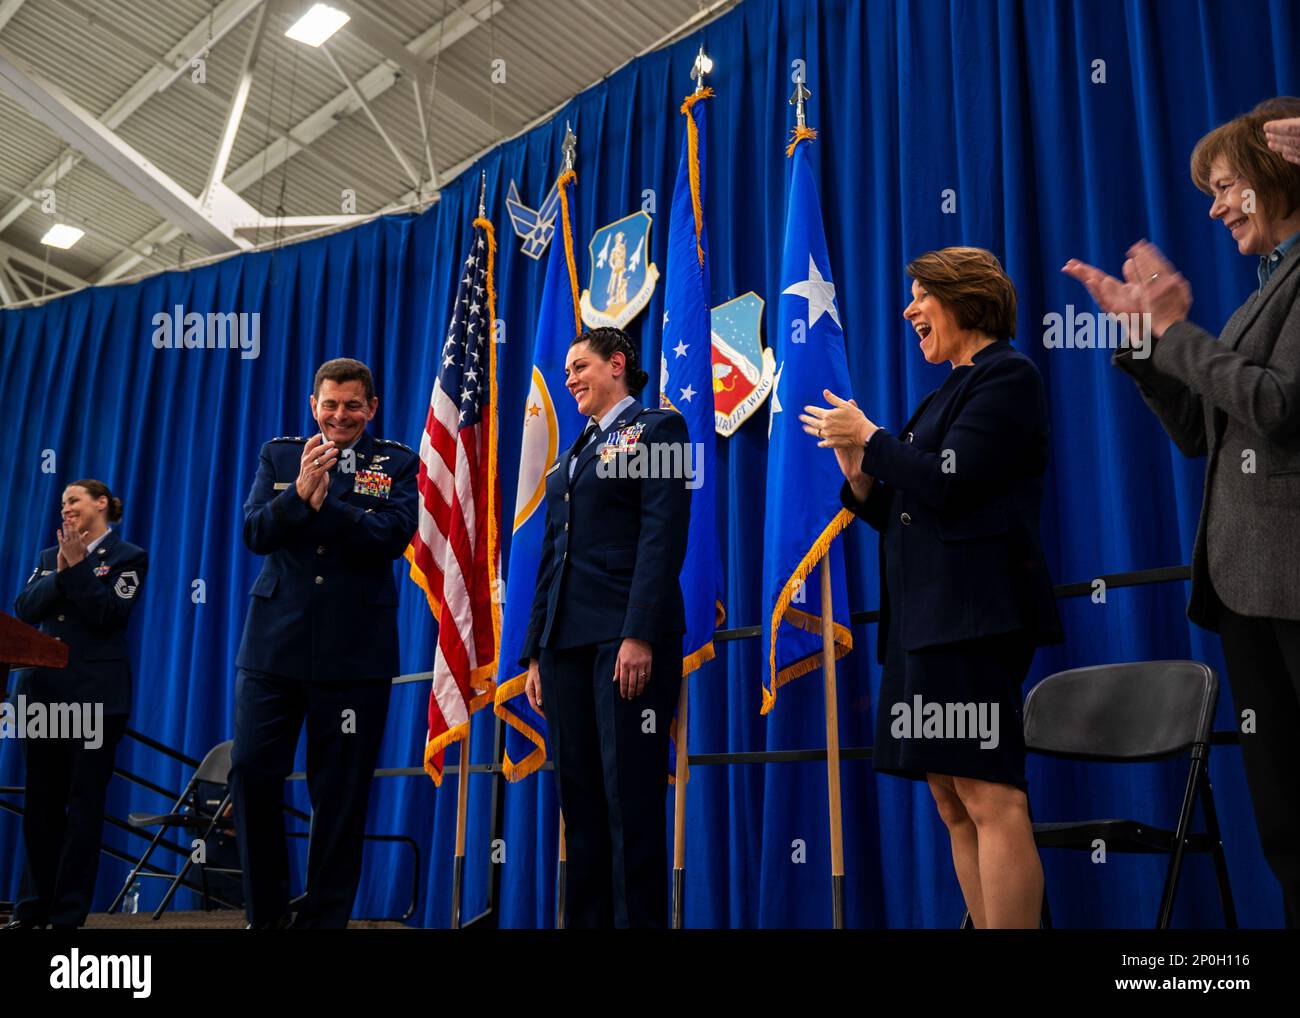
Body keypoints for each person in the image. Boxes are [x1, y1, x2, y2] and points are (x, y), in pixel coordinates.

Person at [1064, 96, 1300, 928]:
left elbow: (1279, 406)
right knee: (1285, 825)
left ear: (1280, 171)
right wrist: (1144, 343)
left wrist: (1177, 331)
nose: (1214, 205)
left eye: (1229, 184)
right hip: (1250, 591)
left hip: (1293, 586)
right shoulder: (1262, 295)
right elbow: (1206, 429)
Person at [801, 247, 1062, 929]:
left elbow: (951, 479)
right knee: (949, 796)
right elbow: (913, 509)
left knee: (987, 792)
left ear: (965, 296)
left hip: (975, 616)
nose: (908, 309)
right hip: (924, 621)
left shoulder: (1007, 377)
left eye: (922, 295)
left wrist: (875, 437)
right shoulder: (946, 390)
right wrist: (860, 471)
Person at [231, 357, 417, 929]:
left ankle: (323, 921)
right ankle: (265, 917)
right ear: (314, 405)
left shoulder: (399, 462)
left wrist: (324, 504)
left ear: (372, 408)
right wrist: (297, 497)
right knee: (252, 776)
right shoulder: (280, 455)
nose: (340, 415)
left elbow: (390, 535)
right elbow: (256, 530)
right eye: (330, 404)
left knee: (340, 796)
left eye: (352, 405)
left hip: (353, 657)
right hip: (273, 651)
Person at [520, 327, 692, 928]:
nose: (569, 380)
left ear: (618, 364)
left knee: (631, 805)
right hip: (566, 646)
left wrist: (639, 632)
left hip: (625, 642)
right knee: (583, 808)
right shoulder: (572, 457)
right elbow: (553, 556)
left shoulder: (660, 429)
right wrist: (535, 650)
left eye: (579, 367)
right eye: (566, 371)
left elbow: (662, 534)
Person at [5, 480, 148, 929]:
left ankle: (67, 916)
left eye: (73, 500)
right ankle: (31, 910)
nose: (64, 508)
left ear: (101, 503)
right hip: (42, 696)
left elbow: (109, 614)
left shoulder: (129, 557)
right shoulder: (48, 557)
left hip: (95, 700)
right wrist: (66, 568)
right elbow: (25, 608)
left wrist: (76, 570)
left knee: (83, 808)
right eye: (62, 502)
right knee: (41, 806)